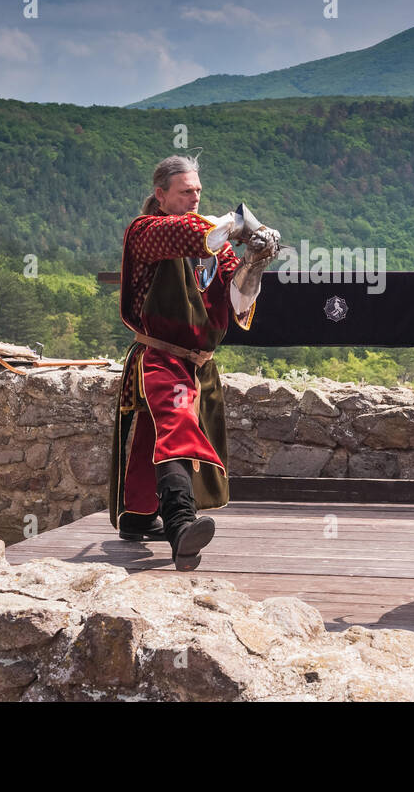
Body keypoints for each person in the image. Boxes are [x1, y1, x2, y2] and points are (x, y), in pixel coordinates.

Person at [110, 154, 281, 570]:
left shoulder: (212, 247)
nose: (194, 198)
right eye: (185, 191)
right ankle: (182, 527)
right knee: (177, 432)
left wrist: (254, 263)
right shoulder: (147, 232)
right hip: (160, 356)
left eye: (198, 191)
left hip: (199, 362)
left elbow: (237, 301)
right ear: (161, 195)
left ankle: (137, 516)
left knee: (157, 434)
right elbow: (187, 234)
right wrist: (241, 223)